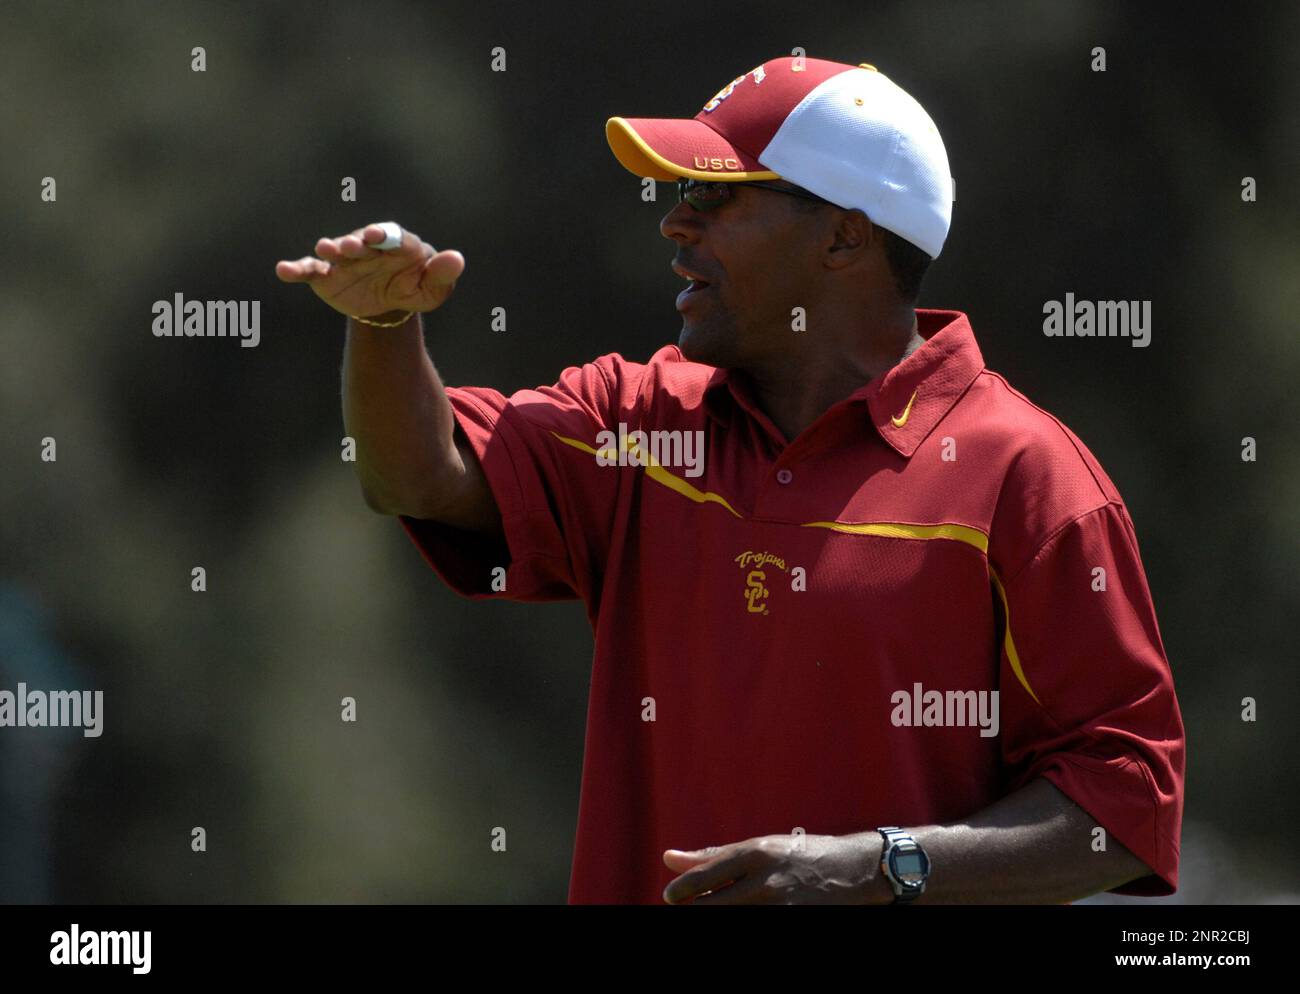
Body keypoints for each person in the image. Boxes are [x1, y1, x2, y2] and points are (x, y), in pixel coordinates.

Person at [275, 55, 1184, 905]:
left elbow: (1125, 814)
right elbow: (417, 478)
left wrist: (879, 868)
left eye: (715, 197)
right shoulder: (636, 422)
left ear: (844, 237)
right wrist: (387, 324)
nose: (676, 222)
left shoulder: (1026, 479)